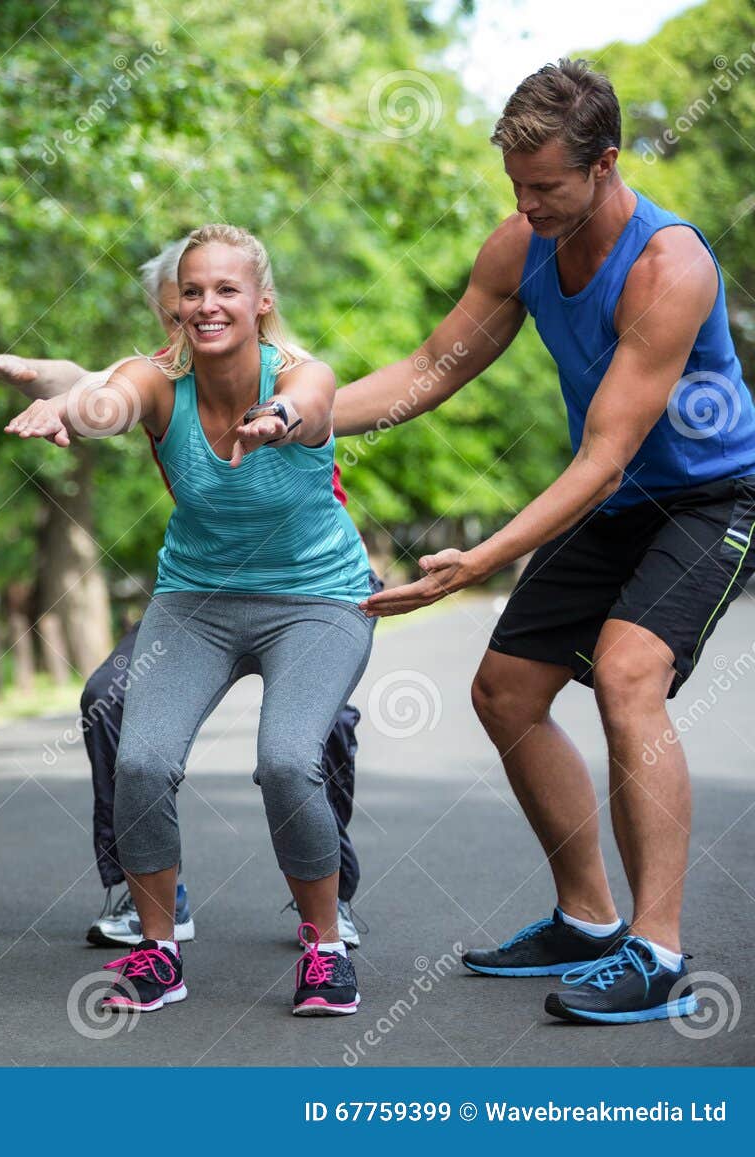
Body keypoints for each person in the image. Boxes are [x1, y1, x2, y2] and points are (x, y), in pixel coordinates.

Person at [338, 60, 755, 1025]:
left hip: (708, 497)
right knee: (505, 691)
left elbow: (605, 459)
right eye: (515, 185)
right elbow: (428, 368)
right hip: (614, 497)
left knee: (626, 675)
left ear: (605, 164)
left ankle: (657, 951)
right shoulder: (523, 244)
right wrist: (300, 416)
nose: (526, 205)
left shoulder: (668, 267)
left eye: (545, 186)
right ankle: (588, 918)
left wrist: (479, 562)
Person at [0, 238, 371, 950]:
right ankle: (149, 908)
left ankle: (330, 911)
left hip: (311, 589)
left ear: (261, 302)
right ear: (170, 307)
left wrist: (276, 419)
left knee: (298, 747)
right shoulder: (159, 376)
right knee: (123, 723)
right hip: (201, 594)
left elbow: (308, 398)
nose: (202, 309)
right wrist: (63, 406)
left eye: (224, 291)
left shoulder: (297, 372)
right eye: (188, 296)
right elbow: (104, 392)